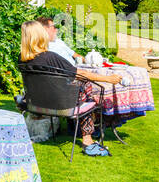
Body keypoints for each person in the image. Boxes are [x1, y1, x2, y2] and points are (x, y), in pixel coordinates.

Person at [19, 20, 122, 157]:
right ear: (40, 35)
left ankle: (77, 129)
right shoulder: (50, 57)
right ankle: (87, 139)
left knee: (79, 87)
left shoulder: (21, 59)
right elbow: (82, 73)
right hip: (60, 106)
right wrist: (109, 79)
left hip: (36, 105)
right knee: (85, 86)